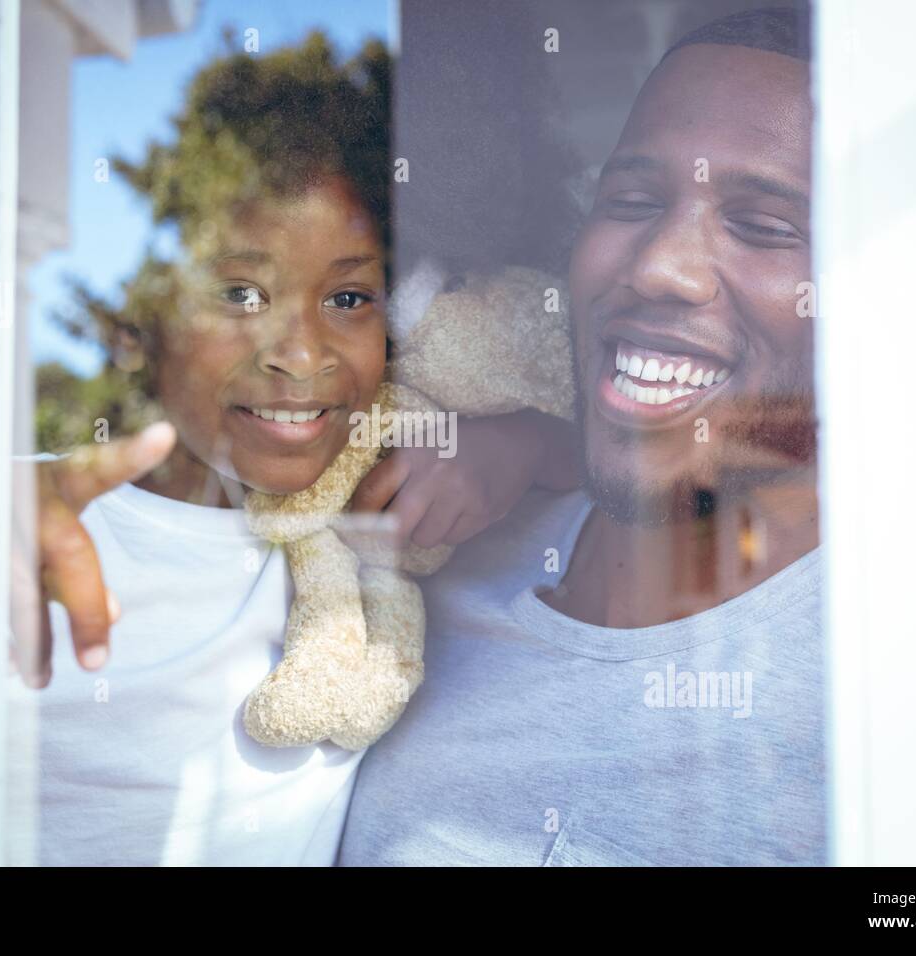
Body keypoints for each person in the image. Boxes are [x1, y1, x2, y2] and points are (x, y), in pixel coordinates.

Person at [0, 34, 569, 865]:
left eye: (348, 297)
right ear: (141, 329)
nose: (300, 354)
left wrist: (517, 441)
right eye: (239, 293)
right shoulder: (29, 528)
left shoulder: (370, 515)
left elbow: (655, 469)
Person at [337, 6, 828, 866]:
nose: (657, 266)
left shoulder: (913, 694)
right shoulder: (445, 565)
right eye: (631, 202)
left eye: (764, 226)